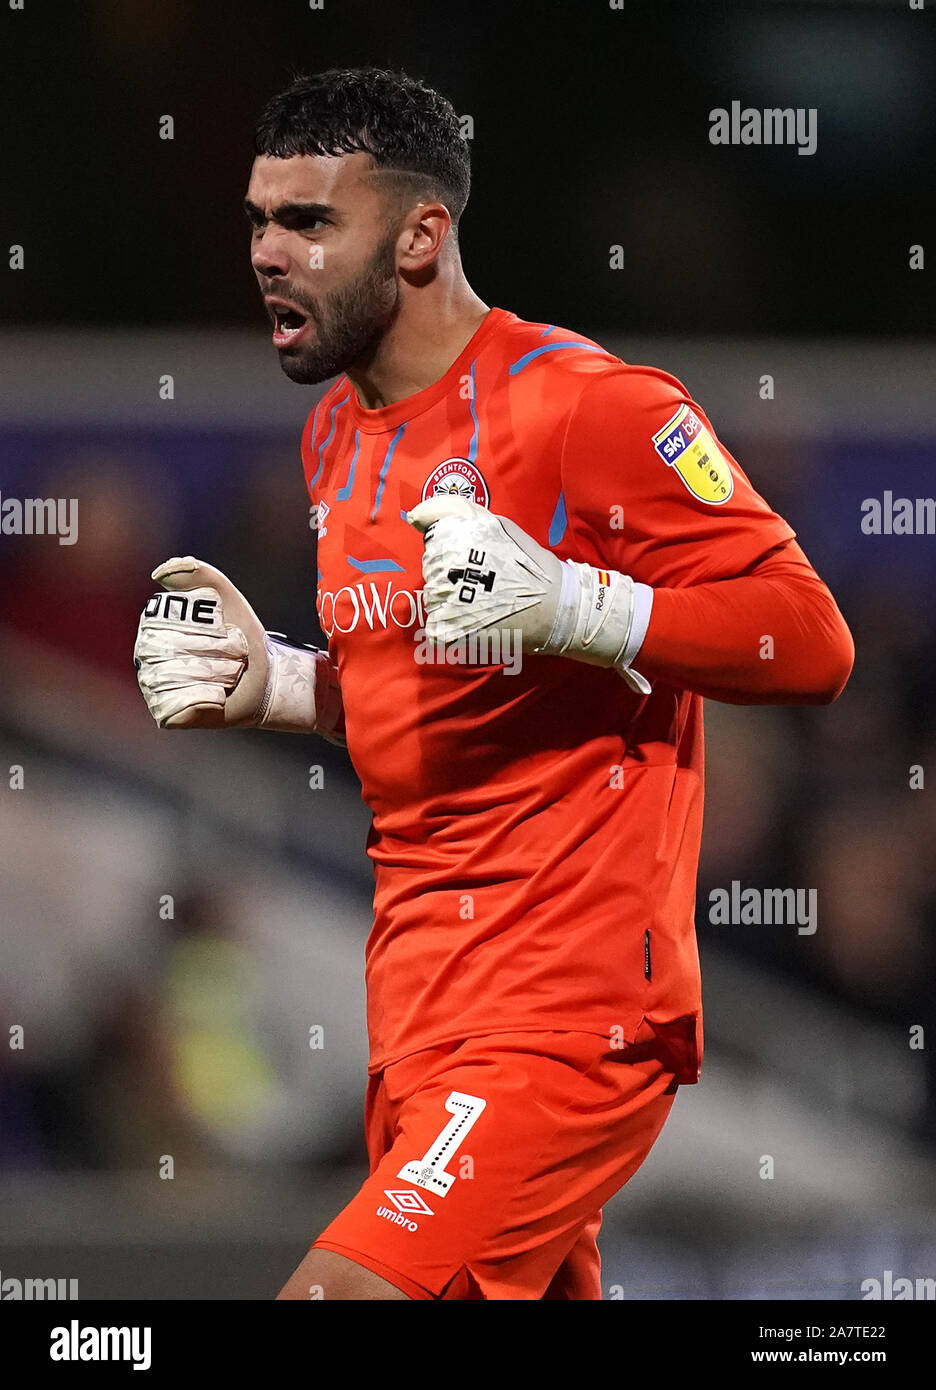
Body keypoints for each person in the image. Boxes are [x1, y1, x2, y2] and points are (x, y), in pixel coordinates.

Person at [134, 67, 854, 1301]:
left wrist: (588, 603)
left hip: (561, 1023)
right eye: (258, 219)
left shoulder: (590, 408)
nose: (267, 252)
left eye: (309, 222)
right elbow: (443, 692)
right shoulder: (333, 435)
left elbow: (810, 640)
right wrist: (289, 691)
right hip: (418, 1019)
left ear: (421, 236)